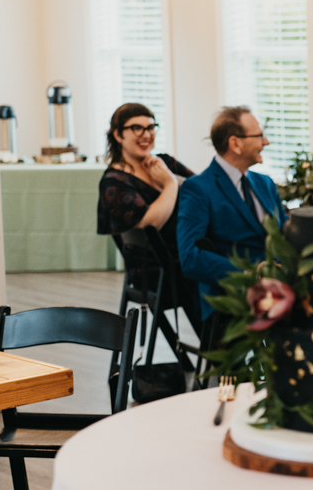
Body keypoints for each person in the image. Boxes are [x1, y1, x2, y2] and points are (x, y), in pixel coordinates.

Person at [177, 106, 288, 338]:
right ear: (235, 144)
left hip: (279, 286)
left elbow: (285, 236)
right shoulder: (198, 189)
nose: (265, 142)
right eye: (259, 136)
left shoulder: (265, 184)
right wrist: (249, 274)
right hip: (231, 295)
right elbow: (190, 257)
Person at [97, 102, 201, 331]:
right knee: (222, 275)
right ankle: (222, 352)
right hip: (159, 273)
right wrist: (170, 184)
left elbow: (205, 191)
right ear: (118, 134)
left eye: (151, 127)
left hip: (186, 257)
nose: (147, 135)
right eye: (137, 128)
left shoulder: (164, 162)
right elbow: (150, 225)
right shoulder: (114, 183)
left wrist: (171, 178)